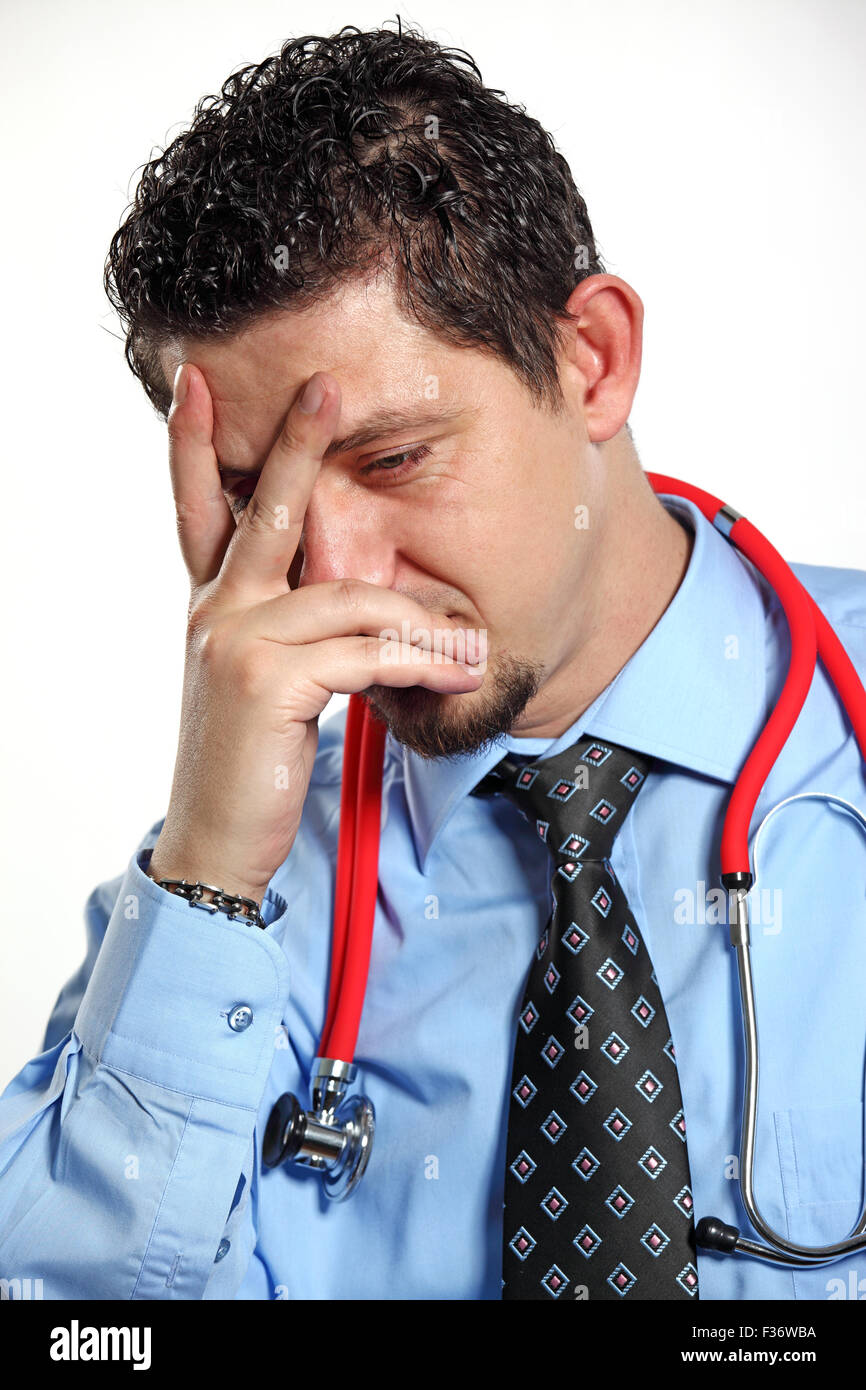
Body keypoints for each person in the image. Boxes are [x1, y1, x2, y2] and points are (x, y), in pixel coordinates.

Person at [1, 20, 864, 1303]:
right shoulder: (222, 897)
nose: (336, 569)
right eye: (260, 498)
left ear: (593, 361)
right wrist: (206, 883)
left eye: (396, 459)